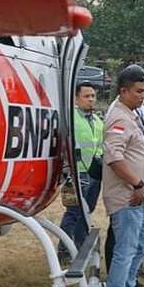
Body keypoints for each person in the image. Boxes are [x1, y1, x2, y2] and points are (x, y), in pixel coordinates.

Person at [100, 65, 144, 287]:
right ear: (123, 91)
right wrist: (136, 184)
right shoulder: (119, 117)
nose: (143, 97)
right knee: (125, 248)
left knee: (143, 242)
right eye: (138, 92)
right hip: (128, 195)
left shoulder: (132, 113)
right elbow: (114, 157)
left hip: (139, 195)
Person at [59, 82, 103, 250]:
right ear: (76, 99)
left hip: (94, 173)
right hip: (76, 173)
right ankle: (64, 249)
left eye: (93, 96)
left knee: (87, 210)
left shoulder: (98, 121)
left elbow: (100, 146)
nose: (91, 99)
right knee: (74, 212)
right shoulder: (70, 119)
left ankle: (79, 245)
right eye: (86, 96)